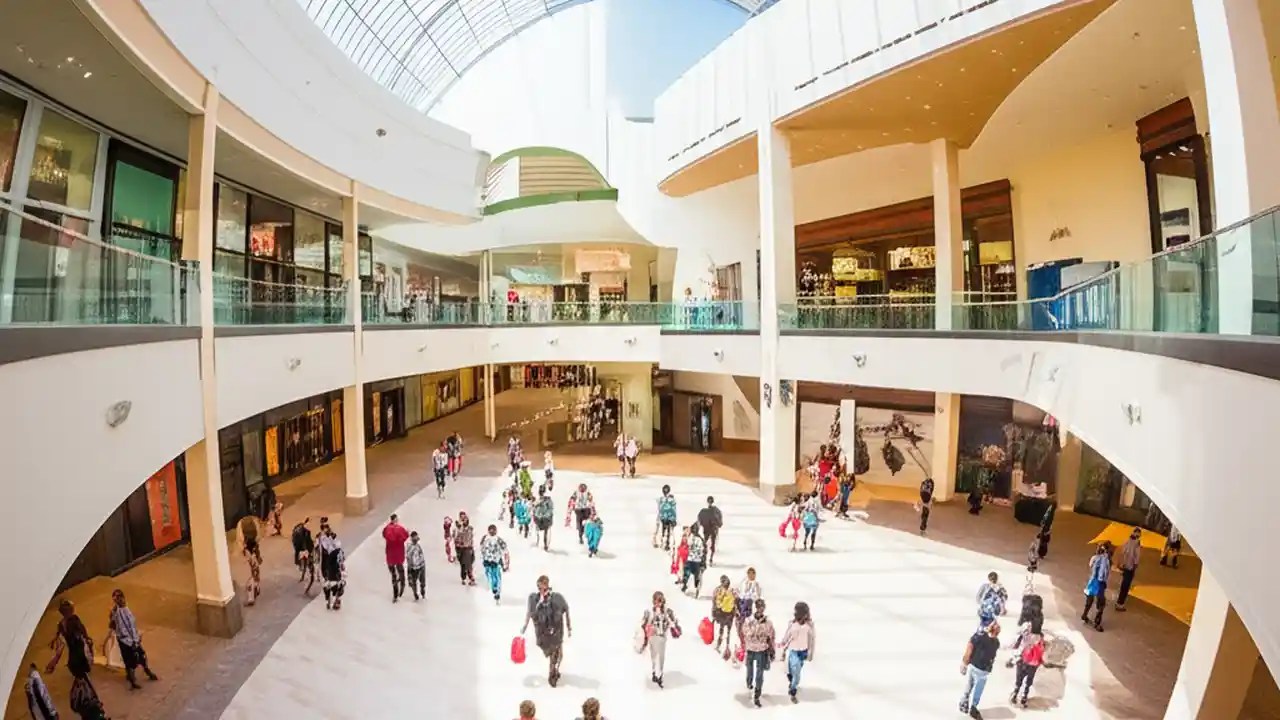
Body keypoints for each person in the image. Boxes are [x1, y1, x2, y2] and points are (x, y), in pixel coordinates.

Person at [522, 575, 572, 687]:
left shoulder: (556, 598)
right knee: (553, 654)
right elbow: (530, 613)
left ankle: (554, 670)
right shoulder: (534, 599)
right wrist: (525, 626)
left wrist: (569, 627)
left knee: (559, 655)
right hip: (543, 634)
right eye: (539, 588)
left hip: (556, 632)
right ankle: (552, 674)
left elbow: (566, 609)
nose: (541, 590)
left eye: (543, 587)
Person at [107, 589, 158, 689]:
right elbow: (128, 627)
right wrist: (135, 640)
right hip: (128, 640)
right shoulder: (120, 611)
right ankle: (134, 678)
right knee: (133, 658)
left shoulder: (118, 611)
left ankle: (138, 674)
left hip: (126, 640)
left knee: (134, 658)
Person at [959, 622, 1001, 718]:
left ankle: (964, 701)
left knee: (970, 683)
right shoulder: (996, 643)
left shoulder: (978, 637)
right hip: (983, 669)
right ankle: (973, 706)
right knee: (978, 688)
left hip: (974, 665)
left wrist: (964, 663)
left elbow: (969, 649)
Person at [640, 591, 680, 688]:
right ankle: (655, 672)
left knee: (660, 657)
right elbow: (643, 623)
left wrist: (675, 628)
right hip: (652, 637)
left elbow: (672, 622)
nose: (658, 603)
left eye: (660, 600)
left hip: (661, 637)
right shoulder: (649, 611)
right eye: (656, 600)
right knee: (654, 655)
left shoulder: (667, 611)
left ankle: (660, 675)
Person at [778, 601, 816, 704]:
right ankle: (792, 683)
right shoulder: (792, 624)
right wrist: (782, 643)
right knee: (792, 670)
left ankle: (793, 689)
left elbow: (812, 640)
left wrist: (810, 653)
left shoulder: (809, 626)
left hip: (803, 652)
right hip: (793, 651)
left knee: (797, 672)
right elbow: (787, 635)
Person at [742, 599, 776, 708]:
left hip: (762, 649)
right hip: (751, 648)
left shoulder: (767, 622)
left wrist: (772, 649)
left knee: (760, 673)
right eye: (759, 607)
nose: (760, 609)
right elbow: (745, 632)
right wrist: (754, 631)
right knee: (750, 670)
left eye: (762, 607)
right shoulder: (749, 620)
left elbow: (771, 635)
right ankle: (749, 683)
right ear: (756, 608)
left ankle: (757, 693)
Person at [48, 600, 93, 680]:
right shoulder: (73, 619)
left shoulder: (61, 623)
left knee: (76, 668)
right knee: (82, 670)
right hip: (79, 651)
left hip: (74, 652)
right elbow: (82, 630)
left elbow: (60, 638)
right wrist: (86, 638)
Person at [1082, 542, 1112, 631]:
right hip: (1100, 583)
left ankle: (1084, 615)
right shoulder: (1106, 560)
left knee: (1089, 600)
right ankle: (1097, 623)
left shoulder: (1094, 558)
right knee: (1101, 604)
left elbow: (1090, 565)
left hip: (1092, 581)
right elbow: (1105, 573)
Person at [1010, 632, 1045, 708]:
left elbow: (1017, 648)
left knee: (1019, 679)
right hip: (1033, 665)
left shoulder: (1027, 637)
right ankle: (1024, 697)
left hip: (1023, 663)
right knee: (1028, 682)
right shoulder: (1041, 643)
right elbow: (1041, 655)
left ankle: (1015, 695)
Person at [480, 524, 511, 603]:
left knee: (496, 576)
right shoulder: (485, 539)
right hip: (487, 560)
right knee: (488, 574)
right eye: (490, 530)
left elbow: (505, 551)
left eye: (493, 530)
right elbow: (481, 548)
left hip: (495, 561)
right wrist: (483, 558)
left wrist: (506, 563)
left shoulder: (499, 540)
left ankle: (497, 591)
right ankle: (492, 587)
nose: (492, 531)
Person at [318, 524, 346, 610]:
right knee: (334, 583)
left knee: (331, 583)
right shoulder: (323, 540)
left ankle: (332, 599)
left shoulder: (328, 540)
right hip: (328, 563)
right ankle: (331, 599)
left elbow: (338, 550)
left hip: (330, 563)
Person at [383, 513, 410, 602]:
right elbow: (405, 536)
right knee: (400, 569)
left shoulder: (387, 529)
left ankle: (395, 594)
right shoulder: (400, 529)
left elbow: (384, 535)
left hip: (390, 554)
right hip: (398, 554)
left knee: (393, 575)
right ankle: (402, 584)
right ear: (395, 520)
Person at [1116, 527, 1143, 611]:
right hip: (1130, 567)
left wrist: (1120, 563)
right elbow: (1137, 556)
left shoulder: (1127, 540)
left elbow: (1123, 552)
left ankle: (1119, 601)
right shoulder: (1137, 543)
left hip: (1125, 566)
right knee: (1126, 585)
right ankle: (1120, 603)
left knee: (1124, 584)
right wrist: (1135, 565)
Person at [237, 514, 262, 606]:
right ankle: (256, 587)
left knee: (251, 572)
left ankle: (251, 595)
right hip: (252, 549)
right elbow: (258, 537)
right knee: (255, 569)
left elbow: (240, 540)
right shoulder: (255, 521)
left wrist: (243, 550)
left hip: (247, 549)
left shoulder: (241, 524)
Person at [712, 575, 737, 655]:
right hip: (722, 613)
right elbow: (715, 602)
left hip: (728, 613)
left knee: (727, 631)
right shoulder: (719, 590)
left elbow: (735, 601)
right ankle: (721, 645)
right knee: (723, 630)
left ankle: (725, 646)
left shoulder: (730, 590)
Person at [292, 517, 316, 594]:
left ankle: (306, 584)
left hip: (306, 551)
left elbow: (309, 542)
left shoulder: (307, 532)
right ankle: (305, 580)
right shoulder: (300, 532)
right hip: (303, 551)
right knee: (306, 565)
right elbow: (298, 543)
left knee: (308, 566)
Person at [697, 496, 723, 567]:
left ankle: (703, 558)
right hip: (713, 529)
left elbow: (699, 519)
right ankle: (710, 558)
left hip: (706, 529)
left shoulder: (703, 510)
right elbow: (720, 521)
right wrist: (718, 524)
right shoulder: (716, 510)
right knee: (712, 544)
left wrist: (701, 524)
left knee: (705, 543)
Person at [682, 524, 707, 597]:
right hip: (697, 560)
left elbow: (685, 546)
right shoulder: (701, 539)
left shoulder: (689, 537)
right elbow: (704, 551)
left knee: (687, 572)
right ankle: (697, 586)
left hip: (689, 559)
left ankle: (685, 584)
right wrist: (703, 562)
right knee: (697, 574)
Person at [454, 511, 477, 586]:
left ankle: (468, 577)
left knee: (469, 562)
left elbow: (471, 537)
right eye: (462, 518)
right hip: (461, 548)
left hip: (469, 548)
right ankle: (466, 578)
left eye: (465, 518)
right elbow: (455, 537)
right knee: (464, 564)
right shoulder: (458, 528)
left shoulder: (470, 528)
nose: (464, 519)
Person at [406, 531, 427, 601]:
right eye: (415, 538)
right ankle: (415, 594)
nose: (416, 539)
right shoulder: (410, 546)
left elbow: (422, 555)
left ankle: (422, 593)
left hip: (421, 566)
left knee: (422, 581)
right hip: (414, 568)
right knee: (414, 582)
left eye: (417, 537)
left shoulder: (418, 545)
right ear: (412, 538)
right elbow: (408, 557)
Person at [656, 485, 678, 550]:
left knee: (663, 529)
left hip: (663, 517)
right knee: (669, 531)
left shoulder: (660, 499)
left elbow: (660, 508)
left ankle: (662, 542)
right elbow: (674, 509)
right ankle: (667, 543)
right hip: (670, 517)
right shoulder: (672, 499)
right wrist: (674, 519)